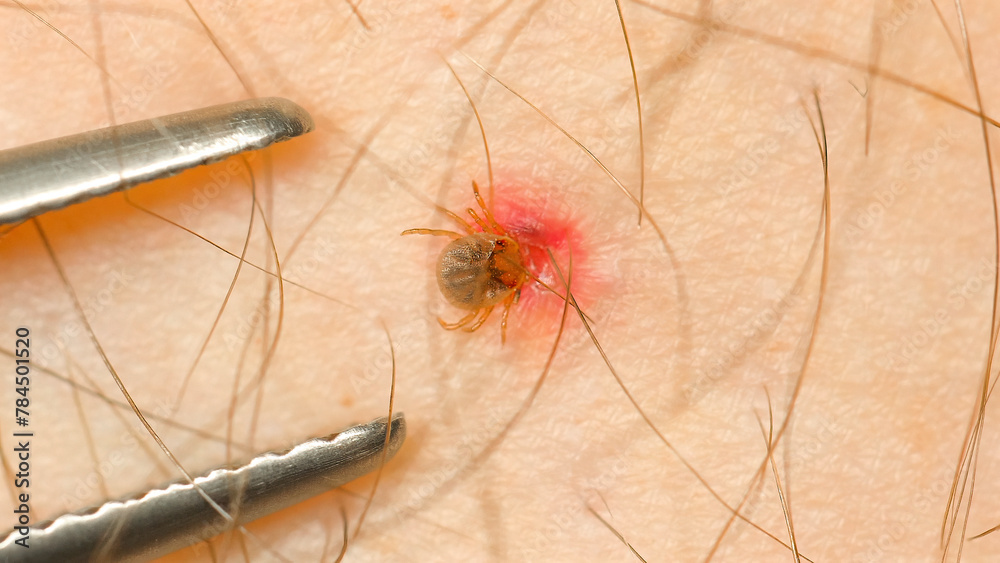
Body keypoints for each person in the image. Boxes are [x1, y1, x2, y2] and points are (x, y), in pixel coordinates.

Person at [0, 0, 997, 560]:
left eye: (505, 261)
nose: (508, 258)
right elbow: (466, 257)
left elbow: (462, 244)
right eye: (508, 257)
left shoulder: (472, 247)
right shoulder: (480, 258)